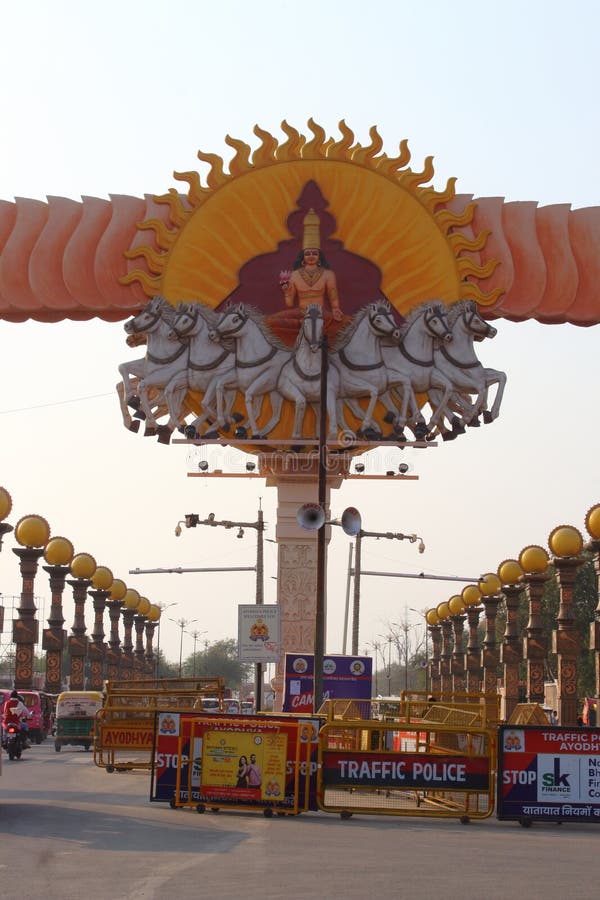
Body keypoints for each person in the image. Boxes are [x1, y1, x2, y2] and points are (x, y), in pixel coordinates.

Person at [279, 209, 343, 322]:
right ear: (302, 256)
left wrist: (335, 308)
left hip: (321, 314)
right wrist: (286, 291)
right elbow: (289, 304)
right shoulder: (295, 275)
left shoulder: (328, 274)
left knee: (347, 324)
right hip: (301, 314)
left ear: (319, 256)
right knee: (274, 321)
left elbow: (332, 293)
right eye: (307, 253)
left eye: (315, 253)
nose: (311, 256)